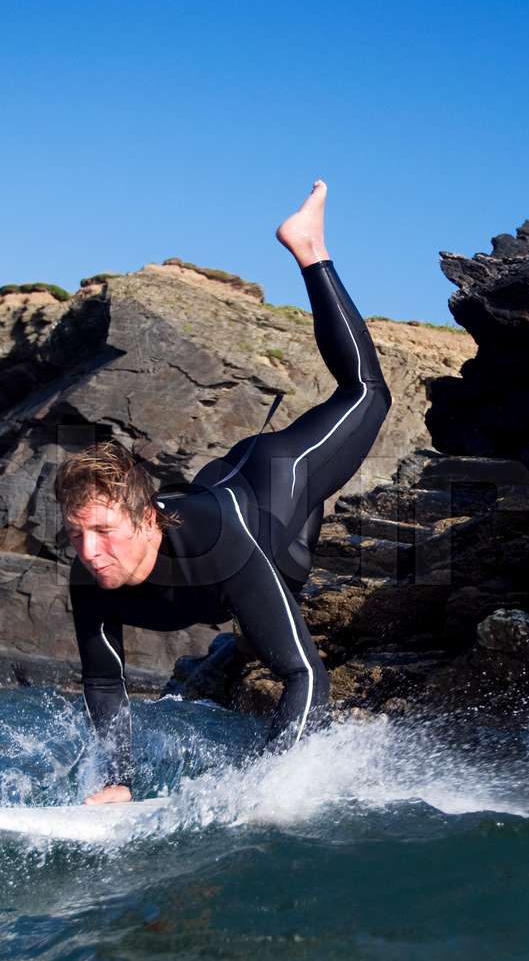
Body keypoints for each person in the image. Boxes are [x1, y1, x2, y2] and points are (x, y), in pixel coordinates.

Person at [54, 180, 391, 804]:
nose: (90, 551)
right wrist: (115, 782)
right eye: (77, 535)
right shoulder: (89, 577)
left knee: (367, 393)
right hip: (219, 487)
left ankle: (309, 247)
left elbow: (307, 678)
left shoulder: (221, 545)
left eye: (103, 531)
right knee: (265, 610)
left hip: (275, 483)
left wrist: (263, 790)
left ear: (147, 519)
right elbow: (106, 685)